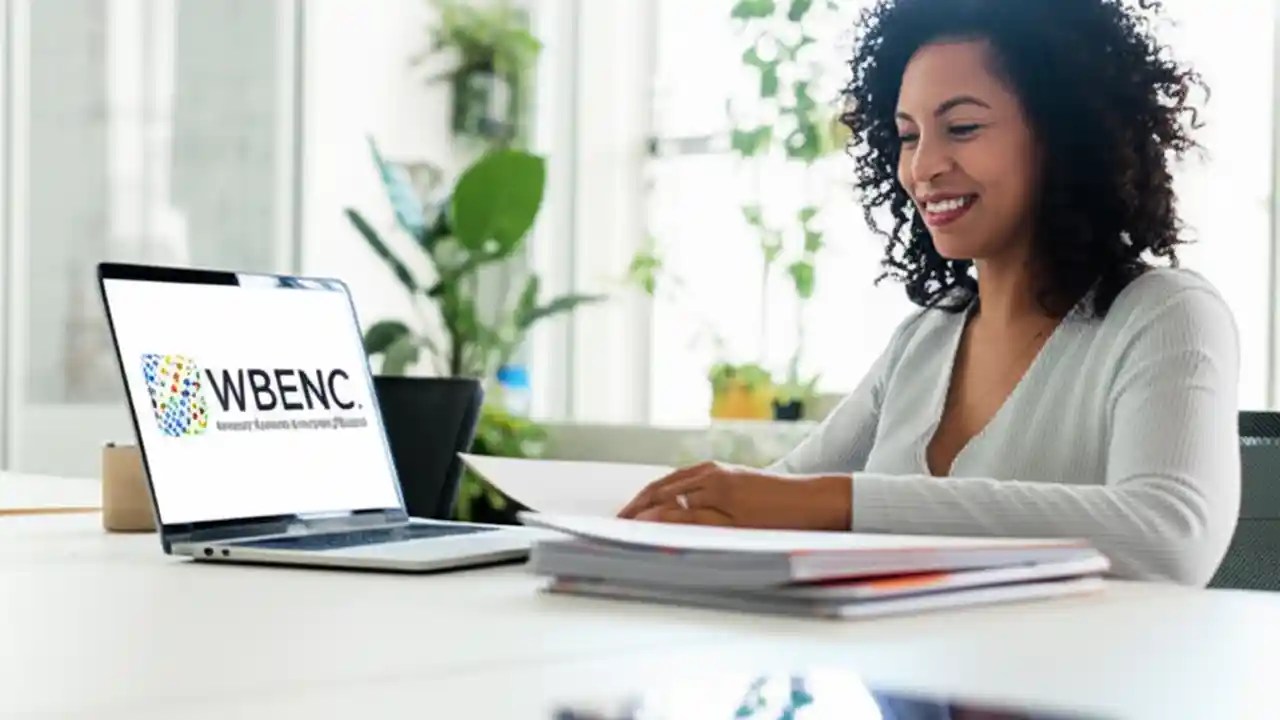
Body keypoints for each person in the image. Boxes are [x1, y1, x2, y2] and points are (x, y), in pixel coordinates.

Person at [619, 0, 1241, 587]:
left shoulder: (1165, 314)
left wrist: (838, 502)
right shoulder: (927, 337)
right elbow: (779, 495)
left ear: (1065, 135)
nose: (922, 167)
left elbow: (1172, 536)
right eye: (909, 135)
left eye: (962, 127)